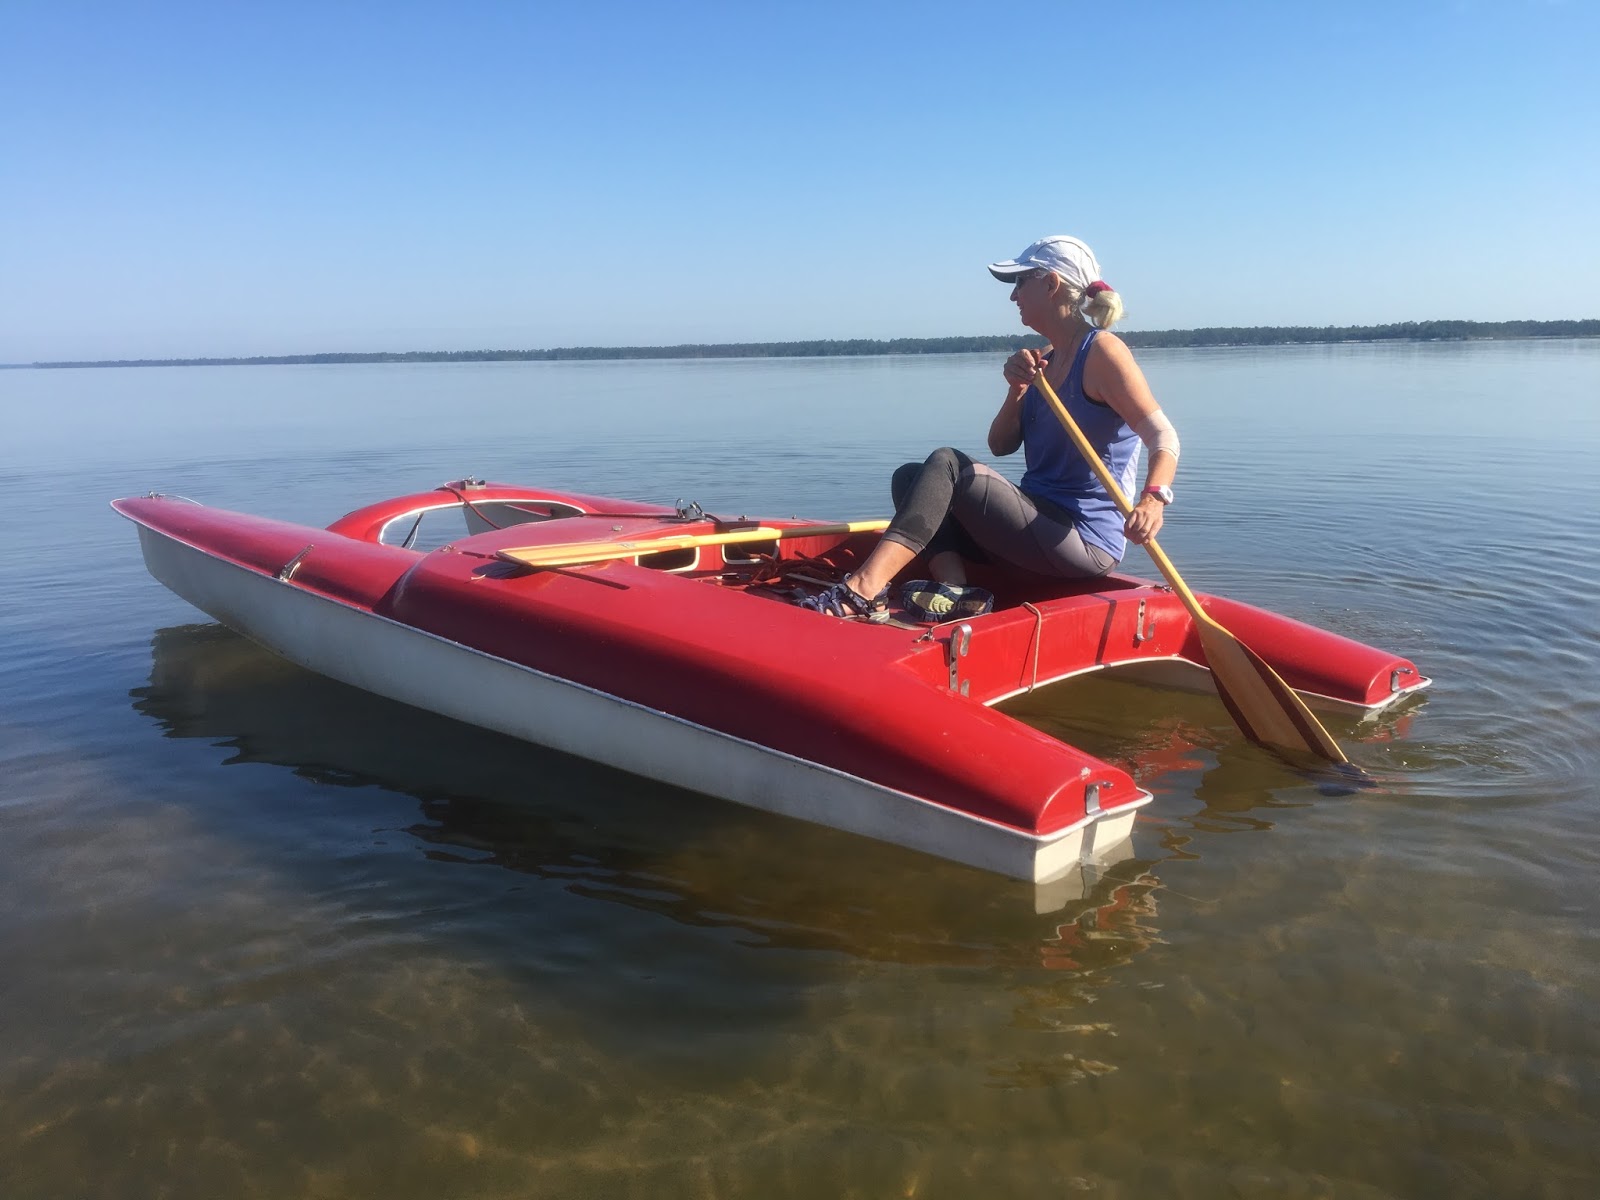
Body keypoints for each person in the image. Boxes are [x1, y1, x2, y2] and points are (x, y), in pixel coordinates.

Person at [800, 234, 1181, 620]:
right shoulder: (1044, 362)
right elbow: (1000, 445)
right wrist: (1017, 391)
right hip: (1039, 528)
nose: (1013, 296)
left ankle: (862, 590)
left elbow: (1163, 436)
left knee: (948, 463)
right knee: (910, 477)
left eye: (1020, 283)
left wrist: (1153, 498)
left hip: (1083, 540)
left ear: (1050, 285)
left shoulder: (1101, 352)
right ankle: (956, 592)